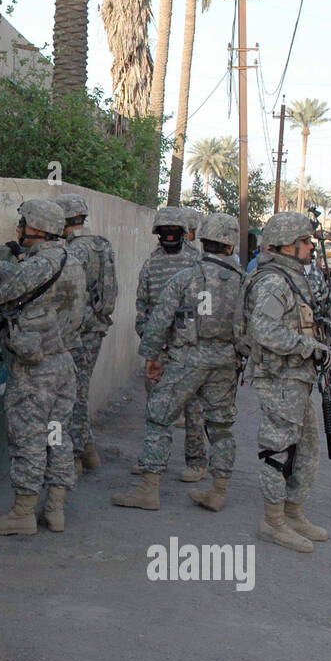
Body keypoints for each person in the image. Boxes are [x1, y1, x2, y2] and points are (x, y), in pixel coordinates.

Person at [113, 214, 245, 512]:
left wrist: (152, 356)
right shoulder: (244, 283)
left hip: (186, 358)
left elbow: (159, 321)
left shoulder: (184, 277)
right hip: (225, 361)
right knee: (222, 427)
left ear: (201, 239)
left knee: (159, 418)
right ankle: (218, 492)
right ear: (229, 245)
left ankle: (149, 490)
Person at [0, 199, 86, 535]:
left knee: (28, 437)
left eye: (22, 223)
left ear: (35, 229)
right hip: (64, 364)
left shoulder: (39, 267)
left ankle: (22, 514)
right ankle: (55, 509)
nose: (18, 228)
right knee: (57, 435)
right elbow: (19, 278)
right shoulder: (69, 260)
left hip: (36, 371)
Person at [236, 211, 331, 553]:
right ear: (288, 246)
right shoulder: (274, 281)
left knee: (305, 448)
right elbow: (265, 331)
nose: (310, 248)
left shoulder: (293, 277)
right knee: (278, 450)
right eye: (305, 242)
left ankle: (293, 512)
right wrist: (309, 347)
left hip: (296, 376)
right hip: (279, 376)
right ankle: (273, 522)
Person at [130, 206, 206, 481]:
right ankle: (152, 461)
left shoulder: (197, 263)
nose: (169, 236)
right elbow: (142, 304)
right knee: (156, 408)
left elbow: (204, 308)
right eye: (165, 232)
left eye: (174, 232)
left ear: (184, 233)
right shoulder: (152, 264)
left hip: (190, 350)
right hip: (160, 349)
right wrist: (151, 341)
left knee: (193, 408)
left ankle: (196, 461)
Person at [56, 191, 118, 476]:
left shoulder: (75, 251)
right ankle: (89, 452)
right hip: (97, 326)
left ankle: (76, 455)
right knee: (81, 388)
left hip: (81, 329)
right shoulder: (101, 245)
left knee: (75, 394)